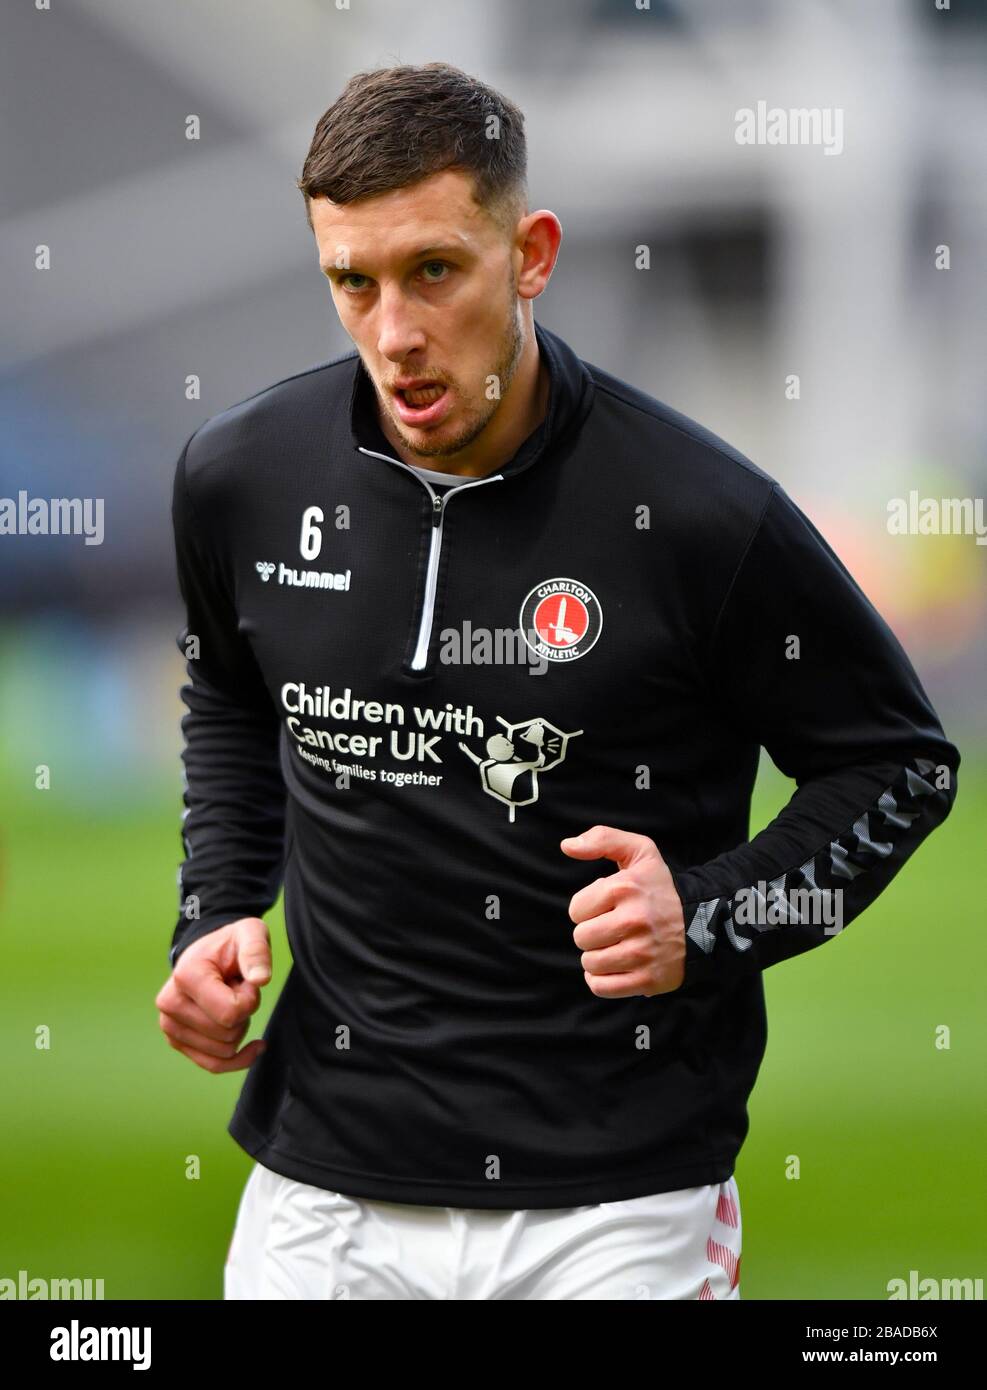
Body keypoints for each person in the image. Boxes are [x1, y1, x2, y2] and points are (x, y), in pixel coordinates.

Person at [155, 62, 959, 1301]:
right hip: (323, 1192)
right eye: (351, 284)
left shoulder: (702, 513)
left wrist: (708, 914)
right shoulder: (238, 475)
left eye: (434, 271)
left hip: (618, 1205)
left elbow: (898, 765)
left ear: (530, 253)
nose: (394, 334)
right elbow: (232, 696)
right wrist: (215, 907)